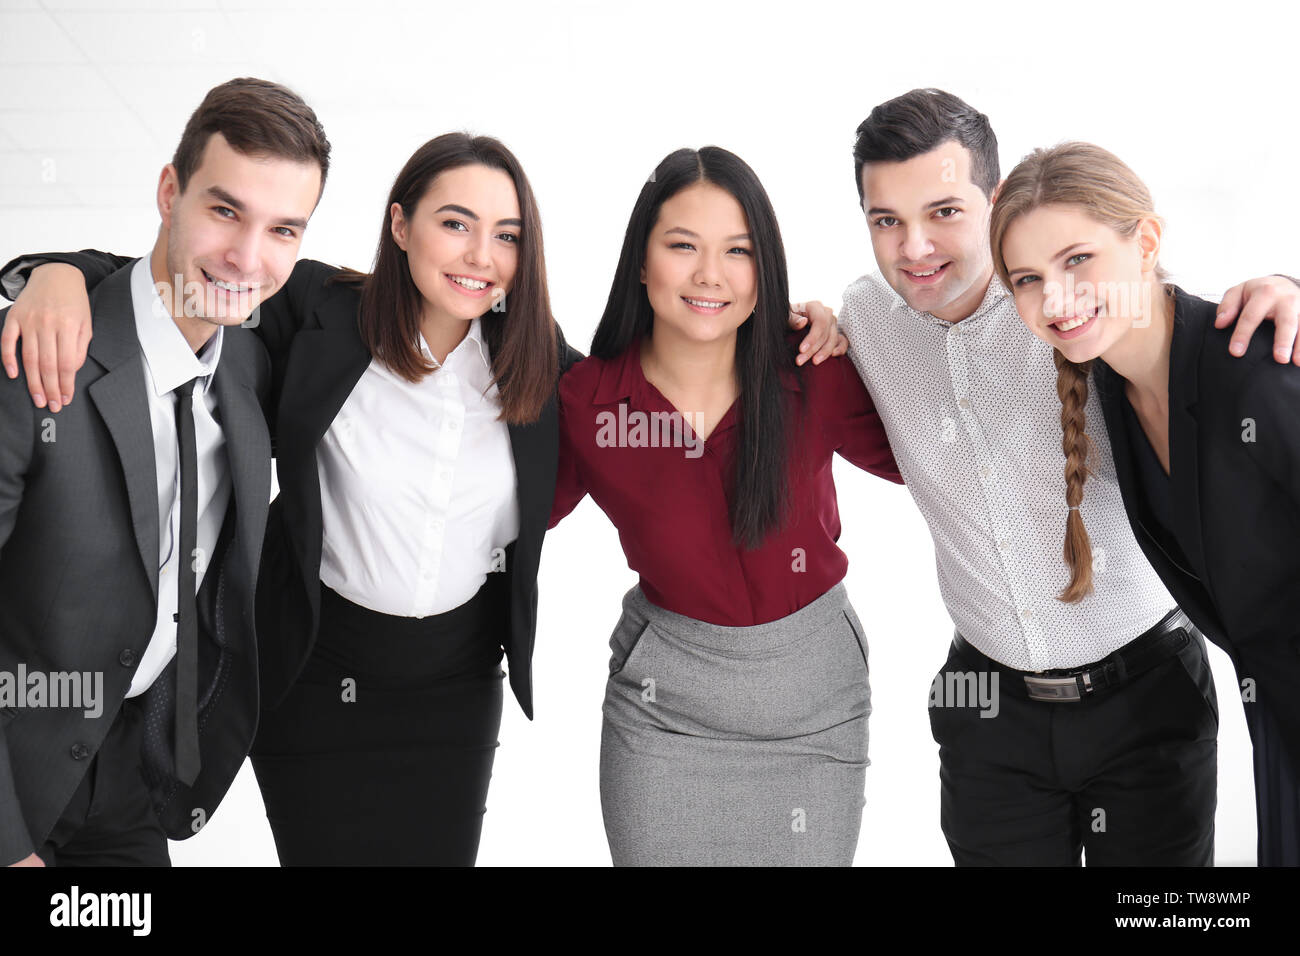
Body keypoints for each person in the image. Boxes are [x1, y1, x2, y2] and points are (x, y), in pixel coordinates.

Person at [0, 148, 843, 868]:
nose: (480, 254)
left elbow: (682, 437)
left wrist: (807, 335)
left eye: (506, 235)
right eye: (454, 223)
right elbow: (192, 283)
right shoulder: (317, 316)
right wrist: (59, 274)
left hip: (454, 682)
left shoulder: (556, 378)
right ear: (400, 225)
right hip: (315, 673)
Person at [798, 88, 1300, 865]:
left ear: (994, 203)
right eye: (885, 221)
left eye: (943, 211)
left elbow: (1184, 333)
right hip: (989, 710)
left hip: (1148, 695)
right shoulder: (866, 320)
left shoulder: (1072, 316)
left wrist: (1284, 285)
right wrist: (815, 323)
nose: (915, 246)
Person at [0, 76, 328, 866]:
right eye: (225, 210)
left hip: (133, 782)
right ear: (168, 191)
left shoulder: (253, 365)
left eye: (284, 229)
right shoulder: (36, 360)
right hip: (17, 773)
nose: (249, 256)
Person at [549, 145, 903, 866]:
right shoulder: (588, 402)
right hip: (664, 718)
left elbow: (940, 457)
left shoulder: (811, 367)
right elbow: (498, 515)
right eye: (683, 246)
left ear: (763, 269)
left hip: (815, 713)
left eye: (738, 251)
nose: (710, 275)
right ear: (641, 262)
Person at [990, 140, 1300, 866]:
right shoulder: (1112, 397)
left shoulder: (1253, 372)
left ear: (1147, 241)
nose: (1055, 299)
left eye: (1077, 260)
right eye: (1028, 277)